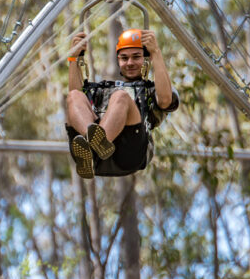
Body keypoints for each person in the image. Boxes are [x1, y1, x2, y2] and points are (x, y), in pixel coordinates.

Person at [65, 28, 179, 179]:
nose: (130, 62)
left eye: (136, 57)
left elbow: (165, 100)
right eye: (124, 58)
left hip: (128, 154)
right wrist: (74, 58)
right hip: (94, 161)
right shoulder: (101, 90)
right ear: (118, 61)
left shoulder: (150, 91)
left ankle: (95, 146)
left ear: (146, 59)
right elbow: (76, 105)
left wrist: (156, 52)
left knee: (121, 96)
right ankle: (95, 147)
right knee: (74, 95)